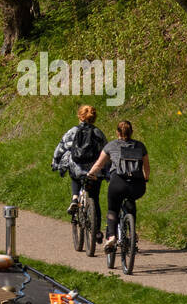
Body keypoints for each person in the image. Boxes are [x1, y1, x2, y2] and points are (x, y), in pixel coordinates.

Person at [86, 119, 149, 256]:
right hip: (137, 186)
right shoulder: (140, 146)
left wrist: (90, 174)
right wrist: (145, 178)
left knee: (113, 210)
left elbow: (99, 165)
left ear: (117, 132)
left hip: (117, 183)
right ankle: (132, 235)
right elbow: (146, 168)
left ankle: (112, 237)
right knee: (131, 201)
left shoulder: (111, 146)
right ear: (132, 132)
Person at [51, 104, 107, 234]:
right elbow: (105, 151)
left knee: (75, 176)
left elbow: (61, 148)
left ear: (79, 116)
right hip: (93, 170)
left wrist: (55, 162)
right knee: (95, 198)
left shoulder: (72, 131)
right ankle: (97, 230)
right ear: (94, 118)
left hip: (77, 168)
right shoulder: (98, 133)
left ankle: (75, 198)